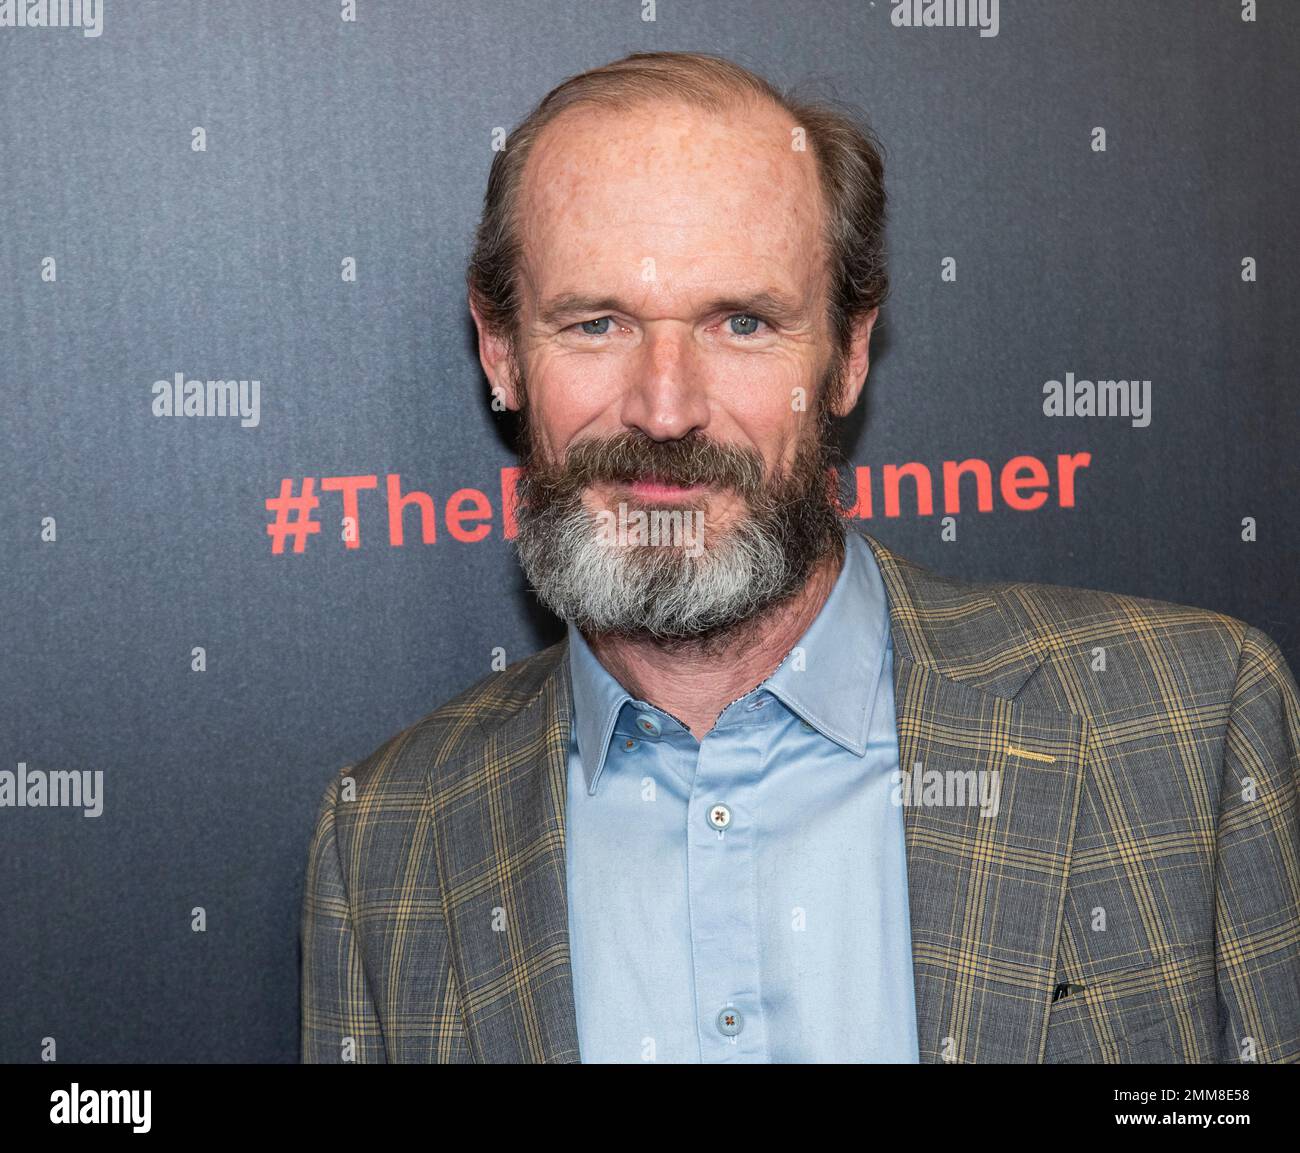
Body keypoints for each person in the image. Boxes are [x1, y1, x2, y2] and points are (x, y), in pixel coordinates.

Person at [300, 50, 1299, 1063]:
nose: (665, 407)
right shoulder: (390, 834)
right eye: (596, 323)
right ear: (501, 352)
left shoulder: (1187, 726)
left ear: (848, 353)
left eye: (742, 323)